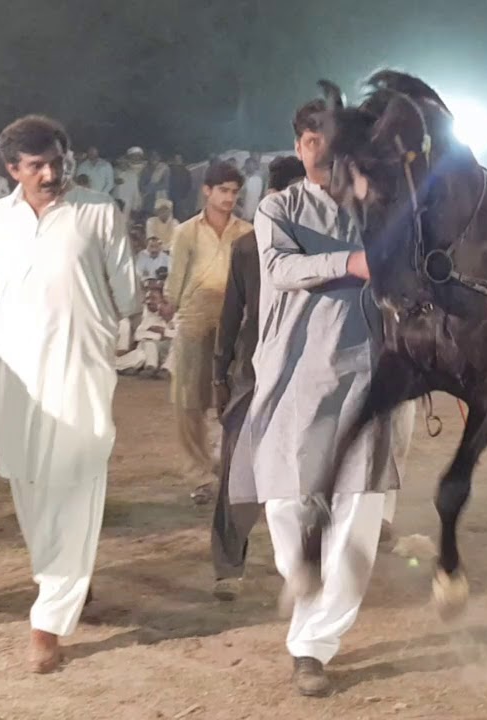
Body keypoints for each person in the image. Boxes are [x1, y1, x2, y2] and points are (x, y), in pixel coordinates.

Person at [229, 98, 405, 696]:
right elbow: (278, 268)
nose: (323, 151)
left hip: (366, 373)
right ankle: (303, 582)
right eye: (312, 141)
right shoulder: (277, 208)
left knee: (356, 511)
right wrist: (353, 262)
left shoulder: (377, 209)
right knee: (285, 501)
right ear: (300, 146)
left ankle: (313, 645)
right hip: (294, 374)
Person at [0, 115, 140, 673]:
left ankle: (48, 621)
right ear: (11, 169)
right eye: (35, 166)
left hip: (78, 369)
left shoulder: (97, 211)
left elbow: (126, 295)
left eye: (56, 162)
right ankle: (63, 574)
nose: (49, 174)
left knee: (74, 481)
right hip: (15, 373)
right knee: (28, 481)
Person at [208, 155, 304, 601]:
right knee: (241, 472)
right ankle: (230, 567)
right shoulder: (249, 248)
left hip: (288, 372)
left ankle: (283, 567)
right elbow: (232, 315)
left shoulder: (308, 246)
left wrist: (220, 373)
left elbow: (231, 318)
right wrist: (218, 375)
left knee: (293, 471)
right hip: (258, 373)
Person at [163, 162, 252, 500]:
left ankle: (229, 467)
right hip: (194, 321)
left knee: (235, 398)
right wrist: (170, 305)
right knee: (189, 401)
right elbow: (175, 281)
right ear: (207, 191)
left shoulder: (246, 232)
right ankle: (199, 475)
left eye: (234, 192)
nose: (229, 198)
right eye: (224, 191)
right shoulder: (186, 232)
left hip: (236, 323)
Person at [115, 289, 174, 377]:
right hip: (149, 354)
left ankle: (165, 369)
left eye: (153, 298)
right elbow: (139, 335)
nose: (149, 301)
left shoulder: (178, 318)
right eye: (147, 298)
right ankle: (150, 368)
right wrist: (161, 336)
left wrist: (164, 332)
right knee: (143, 351)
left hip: (169, 356)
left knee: (177, 344)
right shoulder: (151, 318)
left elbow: (182, 336)